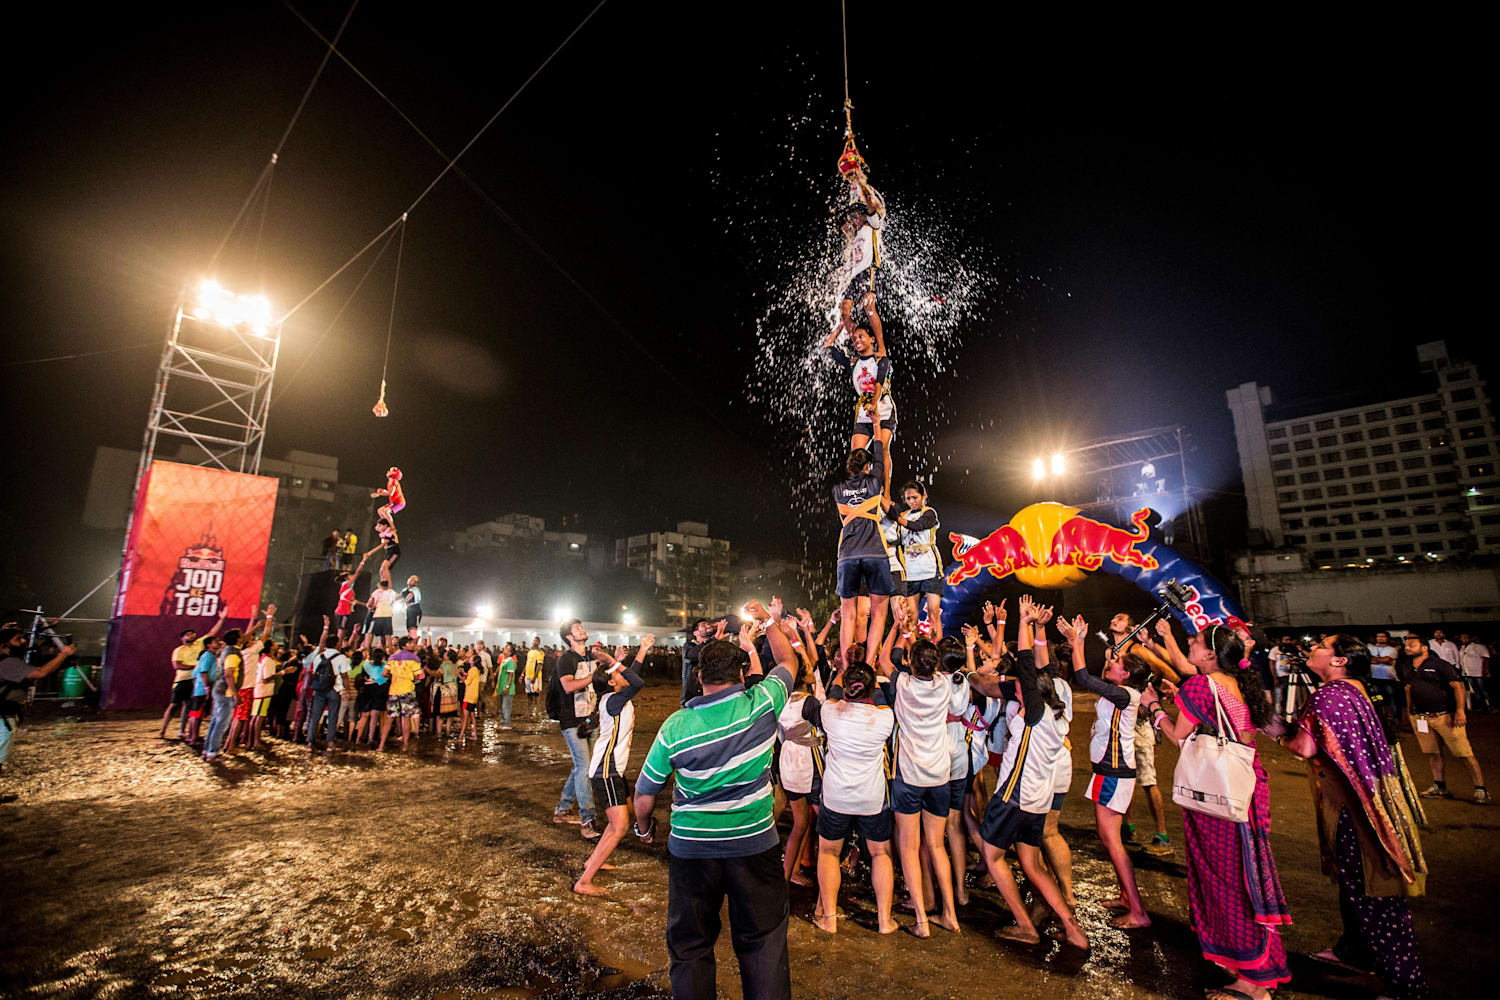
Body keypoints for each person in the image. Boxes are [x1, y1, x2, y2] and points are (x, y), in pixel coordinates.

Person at [632, 605, 797, 1000]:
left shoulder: (676, 726)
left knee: (691, 948)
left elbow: (644, 794)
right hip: (754, 846)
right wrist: (769, 621)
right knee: (763, 943)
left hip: (692, 851)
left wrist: (644, 828)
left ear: (699, 677)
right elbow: (789, 661)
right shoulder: (762, 703)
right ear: (742, 674)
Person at [1273, 634, 1428, 1000]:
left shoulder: (1329, 695)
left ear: (1340, 661)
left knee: (1375, 893)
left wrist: (1276, 733)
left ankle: (1407, 987)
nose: (1314, 649)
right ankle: (1354, 952)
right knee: (1356, 886)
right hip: (1373, 801)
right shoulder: (1357, 691)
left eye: (1322, 646)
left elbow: (1304, 747)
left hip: (1356, 810)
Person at [1144, 623, 1290, 1000]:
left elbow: (1177, 735)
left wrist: (1153, 707)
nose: (1189, 645)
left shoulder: (1200, 686)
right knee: (1247, 878)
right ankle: (1254, 967)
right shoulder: (1238, 684)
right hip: (1246, 790)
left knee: (1227, 882)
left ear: (1210, 653)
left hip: (1218, 799)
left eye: (1194, 642)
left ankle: (1252, 982)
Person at [968, 598, 1087, 948]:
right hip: (1038, 798)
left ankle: (1025, 925)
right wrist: (1038, 628)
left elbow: (1025, 661)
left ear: (1033, 690)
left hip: (1014, 795)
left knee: (992, 856)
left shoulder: (1033, 712)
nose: (1013, 684)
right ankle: (1072, 927)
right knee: (1032, 864)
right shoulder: (1054, 708)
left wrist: (1023, 621)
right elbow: (1038, 665)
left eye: (1020, 682)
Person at [1057, 615, 1151, 929]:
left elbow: (1083, 676)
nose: (1111, 662)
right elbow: (1091, 677)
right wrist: (1080, 639)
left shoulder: (1124, 695)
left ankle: (1138, 911)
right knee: (1108, 838)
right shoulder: (1118, 690)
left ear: (1126, 674)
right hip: (1107, 771)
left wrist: (1076, 642)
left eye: (1117, 663)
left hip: (1115, 772)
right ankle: (1126, 898)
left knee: (1112, 841)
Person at [877, 624, 960, 937]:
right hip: (939, 775)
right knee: (937, 845)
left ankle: (922, 920)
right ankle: (950, 914)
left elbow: (884, 658)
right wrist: (913, 635)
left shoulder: (903, 684)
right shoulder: (944, 684)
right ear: (935, 664)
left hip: (910, 776)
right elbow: (922, 658)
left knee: (909, 848)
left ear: (911, 664)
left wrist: (898, 628)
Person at [574, 635, 652, 896]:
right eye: (618, 673)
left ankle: (592, 862)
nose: (623, 674)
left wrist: (642, 651)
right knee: (619, 826)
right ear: (611, 682)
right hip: (605, 771)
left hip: (611, 770)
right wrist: (611, 660)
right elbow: (637, 681)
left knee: (616, 823)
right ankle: (584, 882)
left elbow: (633, 676)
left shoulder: (614, 697)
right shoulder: (613, 700)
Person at [832, 402, 892, 667]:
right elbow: (881, 454)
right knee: (879, 613)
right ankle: (867, 666)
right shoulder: (874, 481)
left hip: (847, 555)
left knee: (848, 614)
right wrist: (876, 424)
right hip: (874, 552)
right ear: (867, 467)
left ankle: (846, 668)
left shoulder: (837, 489)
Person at [823, 300, 896, 501]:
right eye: (854, 338)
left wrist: (874, 403)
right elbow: (828, 346)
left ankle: (885, 493)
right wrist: (841, 324)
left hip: (882, 409)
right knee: (856, 453)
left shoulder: (880, 358)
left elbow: (879, 383)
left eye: (861, 336)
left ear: (872, 339)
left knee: (882, 448)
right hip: (864, 411)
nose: (856, 340)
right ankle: (860, 491)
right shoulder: (853, 363)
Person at [1402, 634, 1488, 802]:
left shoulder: (1440, 665)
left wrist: (1460, 711)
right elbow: (1408, 688)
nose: (1407, 648)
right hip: (1422, 718)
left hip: (1444, 716)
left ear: (1424, 648)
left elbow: (1458, 687)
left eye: (1412, 645)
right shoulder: (1407, 666)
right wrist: (1410, 711)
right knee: (1432, 753)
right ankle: (1439, 787)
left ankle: (1480, 789)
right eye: (1406, 645)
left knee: (1464, 753)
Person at [0, 627, 78, 774]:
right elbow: (41, 672)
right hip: (2, 716)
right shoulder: (7, 662)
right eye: (17, 639)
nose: (23, 641)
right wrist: (63, 655)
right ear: (4, 645)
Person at [552, 619, 601, 841]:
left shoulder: (589, 657)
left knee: (583, 766)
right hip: (572, 720)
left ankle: (562, 810)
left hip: (590, 719)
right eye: (577, 628)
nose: (582, 629)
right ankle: (587, 819)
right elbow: (568, 686)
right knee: (584, 767)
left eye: (582, 626)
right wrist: (594, 676)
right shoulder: (566, 659)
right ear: (569, 637)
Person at [833, 161, 886, 336]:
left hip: (870, 271)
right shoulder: (854, 234)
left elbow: (870, 204)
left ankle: (880, 347)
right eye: (852, 216)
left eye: (856, 215)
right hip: (856, 276)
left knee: (869, 306)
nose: (854, 218)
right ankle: (858, 342)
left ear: (863, 214)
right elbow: (841, 223)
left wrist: (860, 182)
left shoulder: (872, 224)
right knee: (844, 311)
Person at [160, 608, 227, 739]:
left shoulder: (199, 644)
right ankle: (163, 730)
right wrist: (197, 666)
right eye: (188, 634)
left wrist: (222, 619)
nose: (191, 636)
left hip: (196, 680)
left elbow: (212, 632)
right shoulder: (179, 650)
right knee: (173, 705)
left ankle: (182, 731)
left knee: (189, 706)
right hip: (182, 680)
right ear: (182, 638)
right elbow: (177, 665)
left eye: (192, 634)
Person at [893, 481, 943, 638]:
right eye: (908, 498)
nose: (912, 501)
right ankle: (913, 650)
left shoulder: (929, 513)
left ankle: (938, 648)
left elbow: (918, 526)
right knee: (911, 615)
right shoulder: (903, 515)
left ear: (923, 496)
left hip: (929, 567)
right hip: (910, 569)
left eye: (915, 497)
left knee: (933, 613)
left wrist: (896, 518)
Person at [379, 636, 422, 752]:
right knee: (405, 718)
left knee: (389, 718)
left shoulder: (392, 657)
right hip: (407, 689)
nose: (413, 645)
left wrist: (393, 677)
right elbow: (417, 676)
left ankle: (381, 745)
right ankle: (405, 745)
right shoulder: (414, 658)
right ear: (404, 645)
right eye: (410, 643)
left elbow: (384, 673)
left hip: (393, 690)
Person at [1366, 631, 1400, 723]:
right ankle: (1380, 719)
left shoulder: (1392, 649)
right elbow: (1367, 659)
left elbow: (1386, 659)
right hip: (1375, 678)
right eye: (1378, 636)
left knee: (1393, 700)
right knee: (1377, 700)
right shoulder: (1370, 648)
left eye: (1383, 636)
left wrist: (1374, 659)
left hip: (1389, 678)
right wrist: (1383, 661)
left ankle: (1396, 720)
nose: (1380, 638)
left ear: (1387, 638)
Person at [1458, 633, 1492, 712]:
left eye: (1466, 637)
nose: (1464, 639)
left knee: (1484, 690)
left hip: (1479, 672)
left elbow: (1486, 657)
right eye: (1462, 637)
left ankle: (1492, 706)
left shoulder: (1478, 646)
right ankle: (1483, 707)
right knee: (1476, 691)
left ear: (1470, 638)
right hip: (1468, 673)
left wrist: (1485, 670)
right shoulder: (1462, 648)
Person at [681, 618, 712, 706]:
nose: (708, 626)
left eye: (708, 624)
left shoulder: (713, 645)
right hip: (691, 695)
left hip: (709, 692)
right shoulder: (688, 646)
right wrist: (713, 639)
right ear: (696, 633)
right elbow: (693, 655)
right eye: (703, 625)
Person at [458, 649, 486, 742]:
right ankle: (475, 735)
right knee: (472, 716)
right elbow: (471, 677)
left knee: (465, 717)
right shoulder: (476, 670)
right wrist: (465, 674)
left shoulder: (472, 670)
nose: (470, 659)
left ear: (473, 662)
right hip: (474, 696)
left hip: (468, 697)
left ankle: (460, 736)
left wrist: (459, 675)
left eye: (471, 658)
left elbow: (467, 682)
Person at [364, 578, 398, 653]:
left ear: (380, 585)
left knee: (371, 632)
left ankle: (368, 652)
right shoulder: (391, 592)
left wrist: (370, 606)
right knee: (387, 634)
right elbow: (398, 597)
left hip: (378, 614)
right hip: (388, 614)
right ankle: (390, 653)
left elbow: (370, 603)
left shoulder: (377, 592)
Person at [495, 642, 517, 730]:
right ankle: (504, 722)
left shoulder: (510, 661)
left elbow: (510, 675)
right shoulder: (504, 660)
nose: (504, 649)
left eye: (506, 649)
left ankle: (507, 724)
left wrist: (507, 686)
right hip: (502, 686)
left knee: (506, 705)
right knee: (503, 705)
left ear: (510, 652)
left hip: (506, 687)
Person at [524, 637, 546, 715]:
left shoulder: (540, 652)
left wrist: (535, 677)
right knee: (528, 694)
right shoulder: (529, 652)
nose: (534, 642)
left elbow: (539, 665)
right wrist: (522, 674)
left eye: (536, 641)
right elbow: (527, 663)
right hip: (528, 676)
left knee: (536, 695)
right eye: (533, 640)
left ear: (539, 642)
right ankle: (529, 712)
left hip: (536, 677)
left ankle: (537, 712)